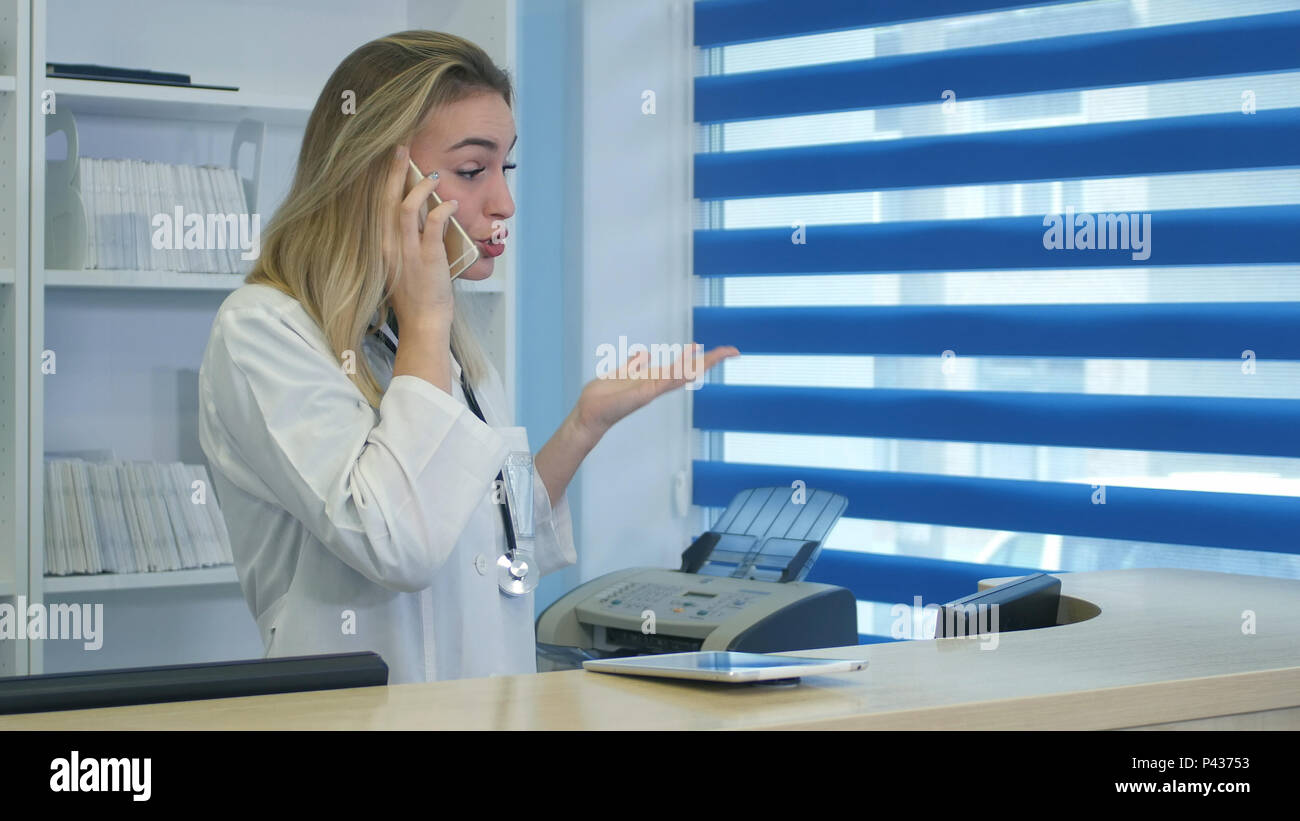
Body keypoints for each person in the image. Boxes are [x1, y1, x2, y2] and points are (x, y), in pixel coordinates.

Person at [197, 30, 738, 684]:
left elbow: (496, 550)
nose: (504, 203)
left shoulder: (442, 341)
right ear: (378, 177)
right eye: (473, 170)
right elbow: (400, 545)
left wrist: (583, 426)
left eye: (505, 168)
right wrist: (427, 318)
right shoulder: (265, 331)